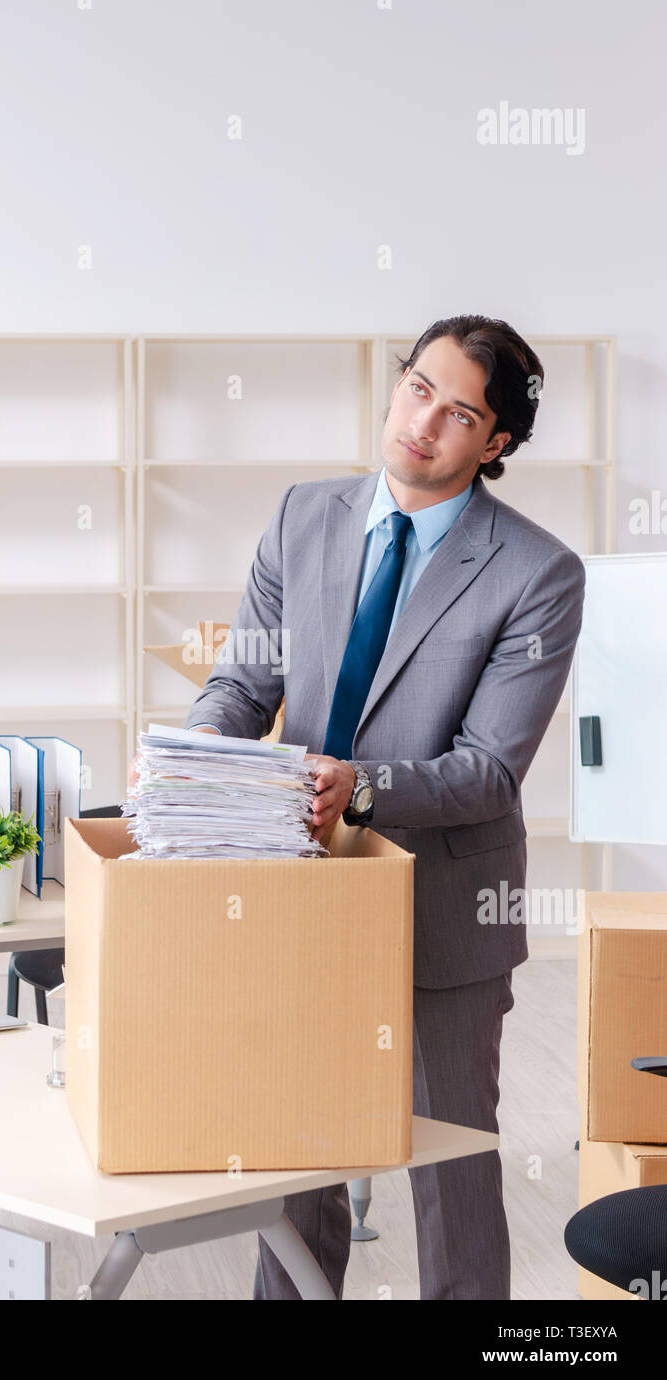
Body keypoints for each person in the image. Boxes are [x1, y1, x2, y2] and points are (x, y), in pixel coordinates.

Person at [173, 314, 586, 1299]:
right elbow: (245, 684)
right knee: (300, 1157)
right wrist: (194, 753)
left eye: (459, 413)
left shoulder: (539, 574)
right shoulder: (302, 517)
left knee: (447, 1166)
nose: (423, 423)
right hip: (301, 889)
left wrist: (358, 785)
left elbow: (489, 769)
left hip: (445, 909)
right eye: (417, 389)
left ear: (496, 444)